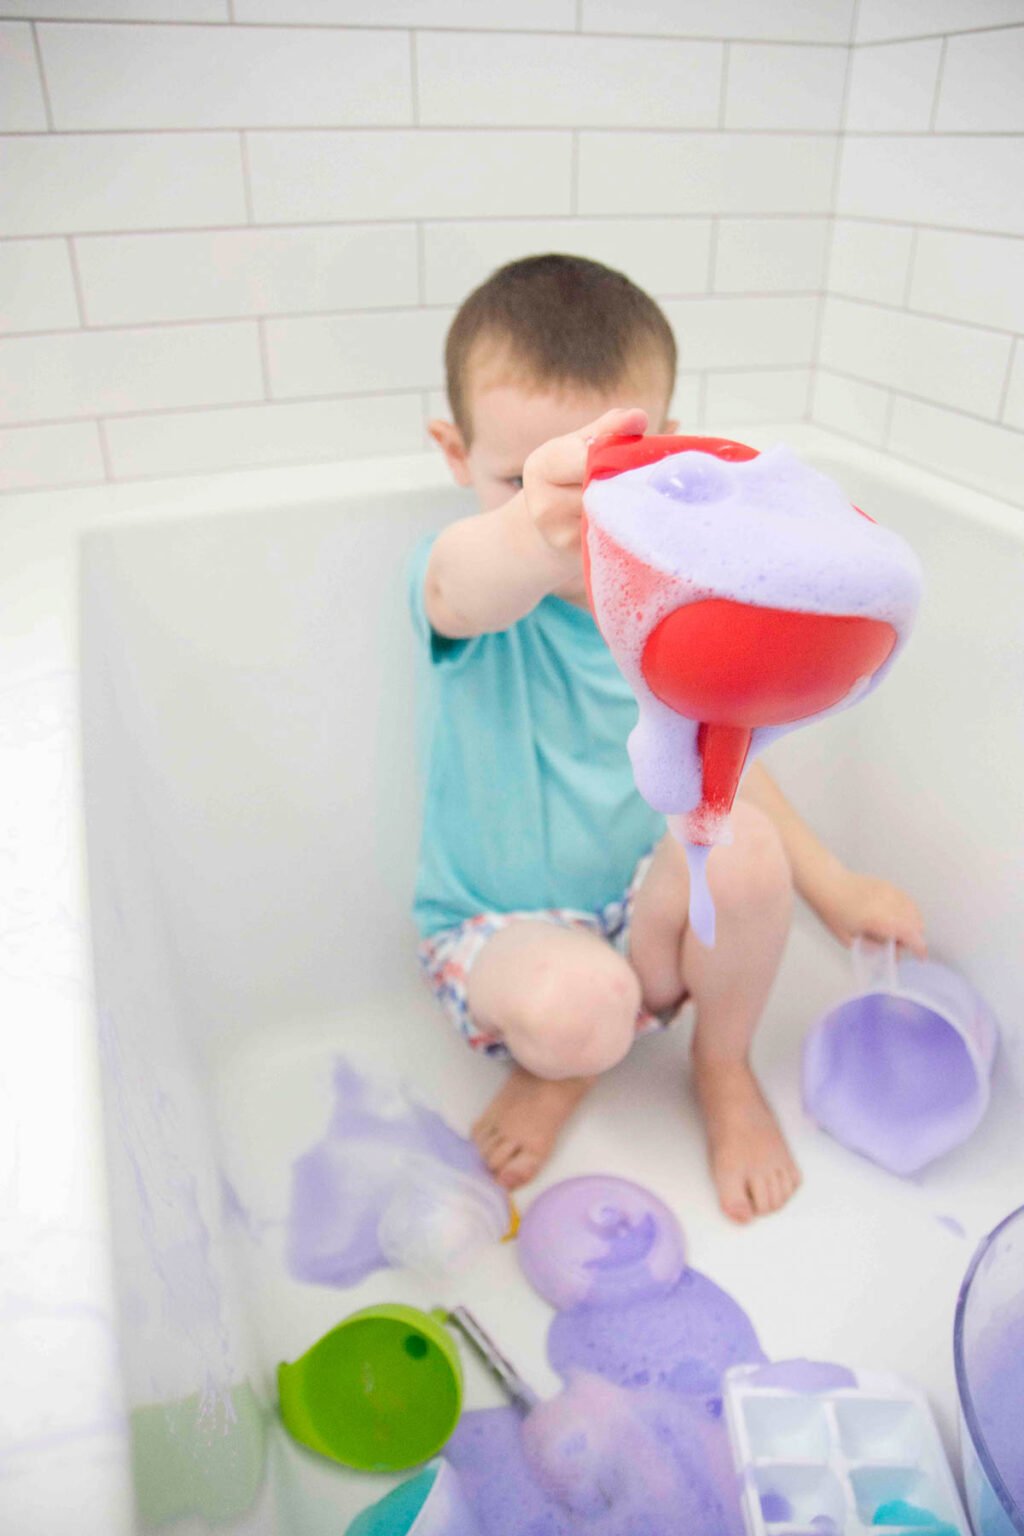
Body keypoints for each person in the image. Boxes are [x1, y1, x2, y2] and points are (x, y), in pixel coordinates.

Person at [406, 254, 926, 1223]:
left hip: (635, 917)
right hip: (500, 938)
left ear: (666, 448)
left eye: (598, 482)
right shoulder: (464, 584)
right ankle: (565, 1068)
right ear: (452, 450)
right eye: (517, 478)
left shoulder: (667, 615)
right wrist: (529, 524)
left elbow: (722, 772)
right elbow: (459, 586)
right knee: (581, 1010)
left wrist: (834, 887)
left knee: (743, 850)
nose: (568, 519)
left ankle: (719, 1066)